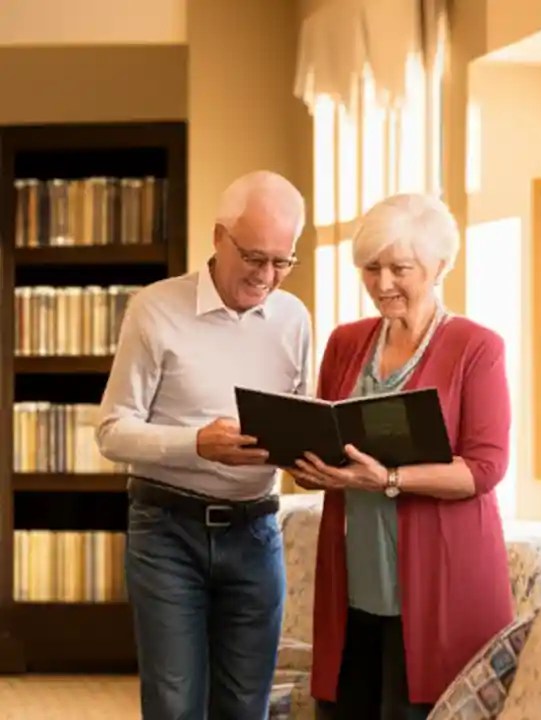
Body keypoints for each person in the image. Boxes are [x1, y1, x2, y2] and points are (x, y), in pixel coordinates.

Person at [96, 171, 312, 719]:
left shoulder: (294, 319)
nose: (266, 276)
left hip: (257, 531)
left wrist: (313, 460)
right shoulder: (154, 308)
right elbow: (111, 431)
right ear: (219, 237)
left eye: (282, 262)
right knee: (174, 705)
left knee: (246, 706)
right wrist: (196, 444)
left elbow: (302, 420)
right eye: (254, 257)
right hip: (168, 532)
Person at [289, 193, 513, 719]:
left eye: (399, 268)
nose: (383, 283)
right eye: (371, 268)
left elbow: (485, 468)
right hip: (354, 581)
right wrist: (314, 467)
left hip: (441, 584)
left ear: (439, 266)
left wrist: (389, 478)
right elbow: (330, 441)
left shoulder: (476, 347)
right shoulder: (346, 343)